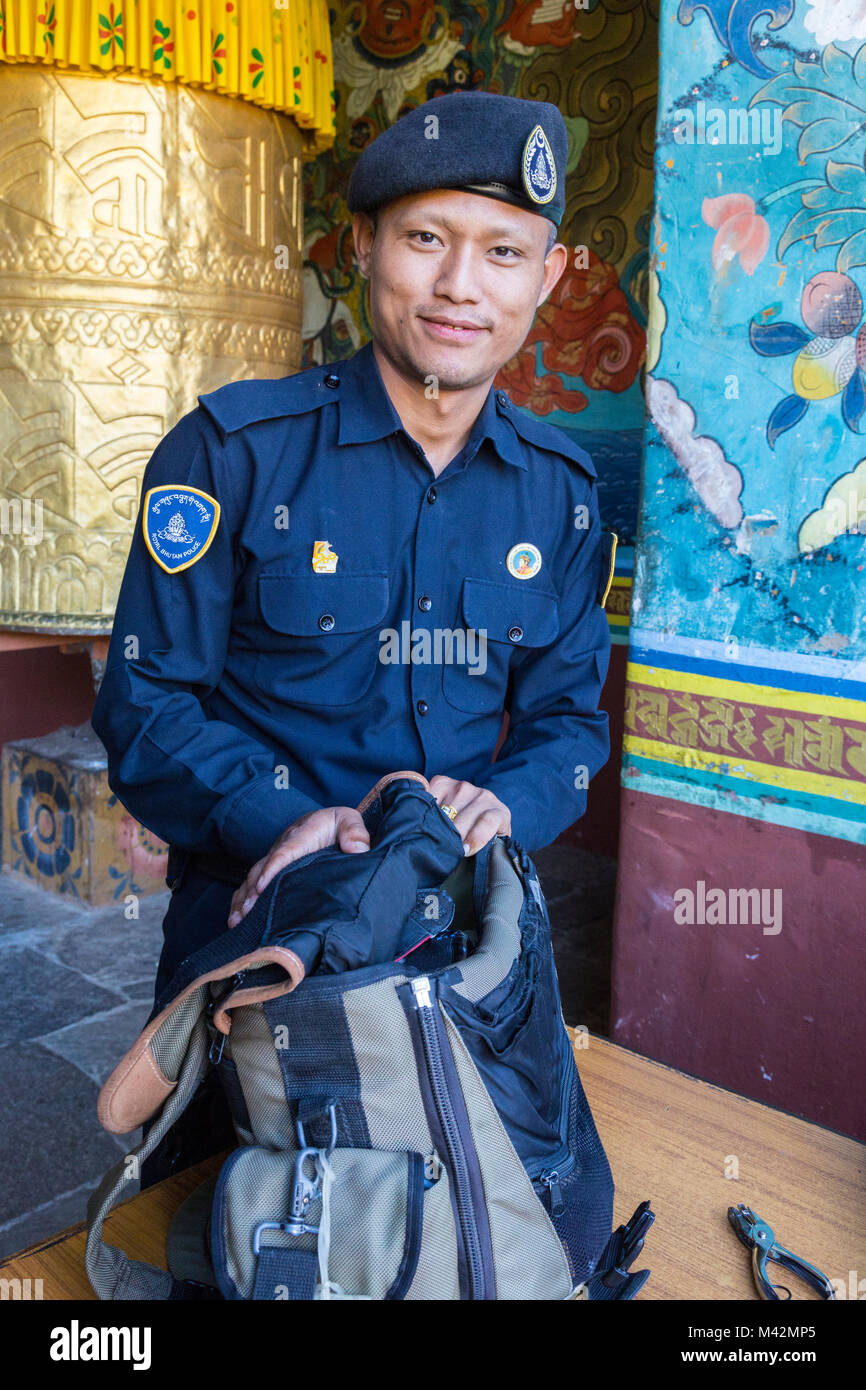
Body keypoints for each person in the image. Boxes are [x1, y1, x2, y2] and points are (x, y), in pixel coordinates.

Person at [91, 89, 616, 1181]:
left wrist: (504, 805)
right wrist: (291, 821)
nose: (461, 286)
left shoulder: (560, 496)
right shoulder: (234, 453)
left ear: (548, 277)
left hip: (460, 941)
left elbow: (568, 722)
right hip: (255, 932)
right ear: (361, 247)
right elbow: (144, 704)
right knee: (220, 1217)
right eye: (425, 238)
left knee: (457, 1224)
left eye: (502, 253)